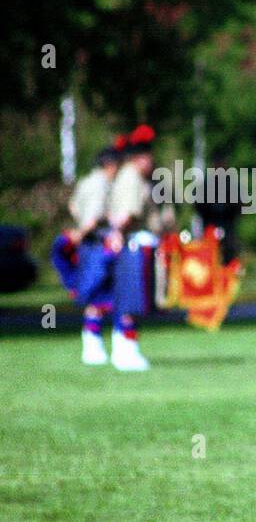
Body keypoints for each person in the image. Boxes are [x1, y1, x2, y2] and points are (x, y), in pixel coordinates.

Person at [54, 137, 123, 365]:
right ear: (110, 165)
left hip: (88, 246)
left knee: (94, 298)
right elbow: (93, 219)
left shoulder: (85, 182)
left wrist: (80, 228)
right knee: (102, 297)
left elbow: (74, 206)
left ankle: (92, 344)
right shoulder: (102, 184)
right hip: (97, 245)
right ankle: (94, 346)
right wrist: (83, 232)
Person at [104, 124, 162, 371]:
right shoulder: (132, 177)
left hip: (131, 245)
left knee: (126, 301)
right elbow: (127, 213)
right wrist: (117, 232)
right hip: (135, 246)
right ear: (141, 157)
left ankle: (122, 348)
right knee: (132, 302)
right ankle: (128, 352)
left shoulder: (126, 175)